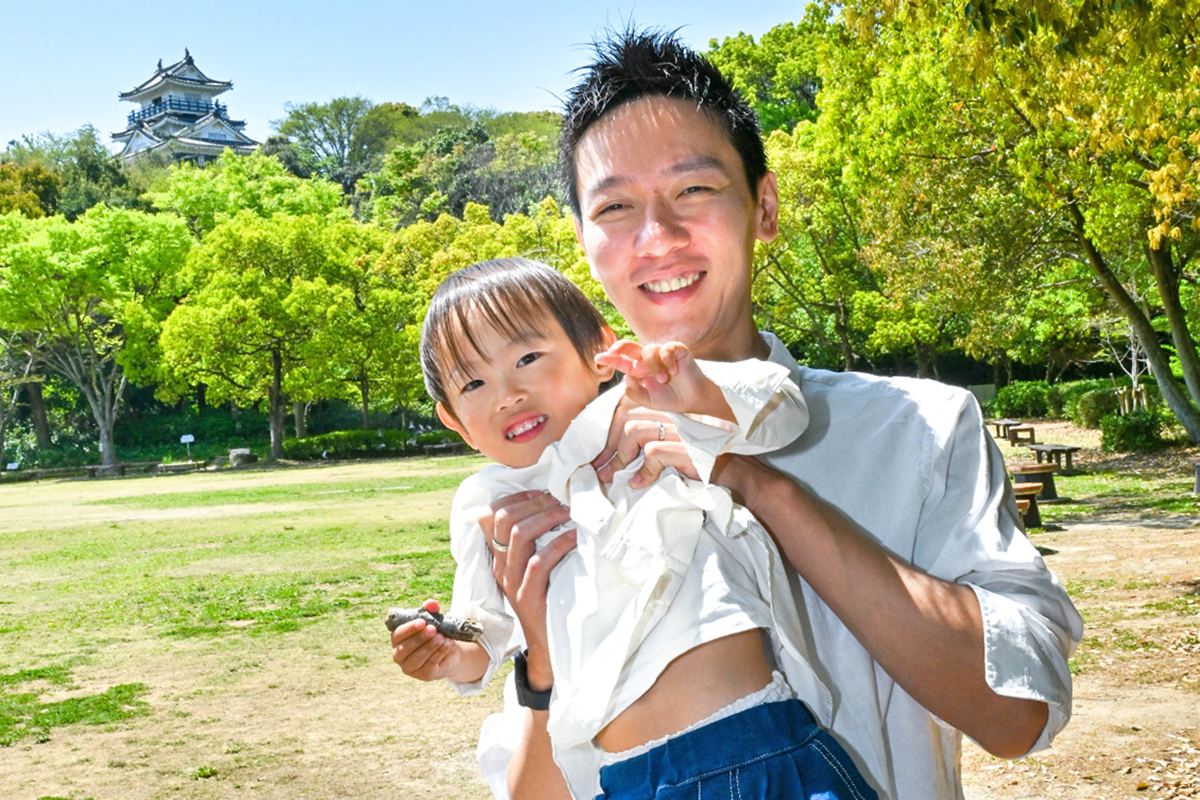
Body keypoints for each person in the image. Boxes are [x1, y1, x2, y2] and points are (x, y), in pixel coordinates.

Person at [473, 28, 1084, 800]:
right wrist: (535, 665)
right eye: (617, 206)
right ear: (585, 240)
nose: (656, 238)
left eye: (693, 190)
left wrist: (761, 489)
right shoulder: (572, 468)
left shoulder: (918, 428)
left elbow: (1015, 714)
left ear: (762, 206)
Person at [393, 256, 878, 800]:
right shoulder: (490, 506)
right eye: (475, 383)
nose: (507, 393)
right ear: (454, 421)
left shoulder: (649, 408)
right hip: (627, 781)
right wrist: (442, 652)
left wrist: (695, 389)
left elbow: (782, 408)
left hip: (758, 748)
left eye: (527, 357)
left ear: (601, 352)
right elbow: (485, 636)